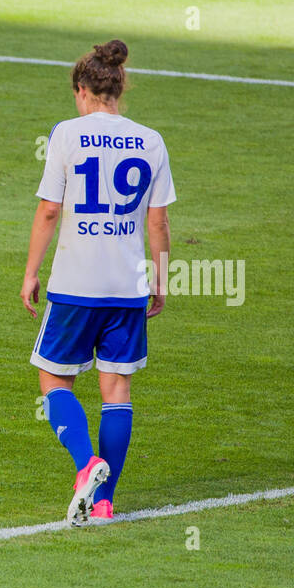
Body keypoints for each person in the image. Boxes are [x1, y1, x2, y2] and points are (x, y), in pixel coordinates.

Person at [20, 39, 175, 525]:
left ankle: (87, 464)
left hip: (75, 285)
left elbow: (49, 210)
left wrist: (30, 272)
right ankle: (105, 503)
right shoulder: (151, 140)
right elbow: (159, 223)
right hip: (127, 285)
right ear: (119, 89)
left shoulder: (66, 134)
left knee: (54, 379)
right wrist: (161, 278)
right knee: (117, 390)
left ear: (82, 89)